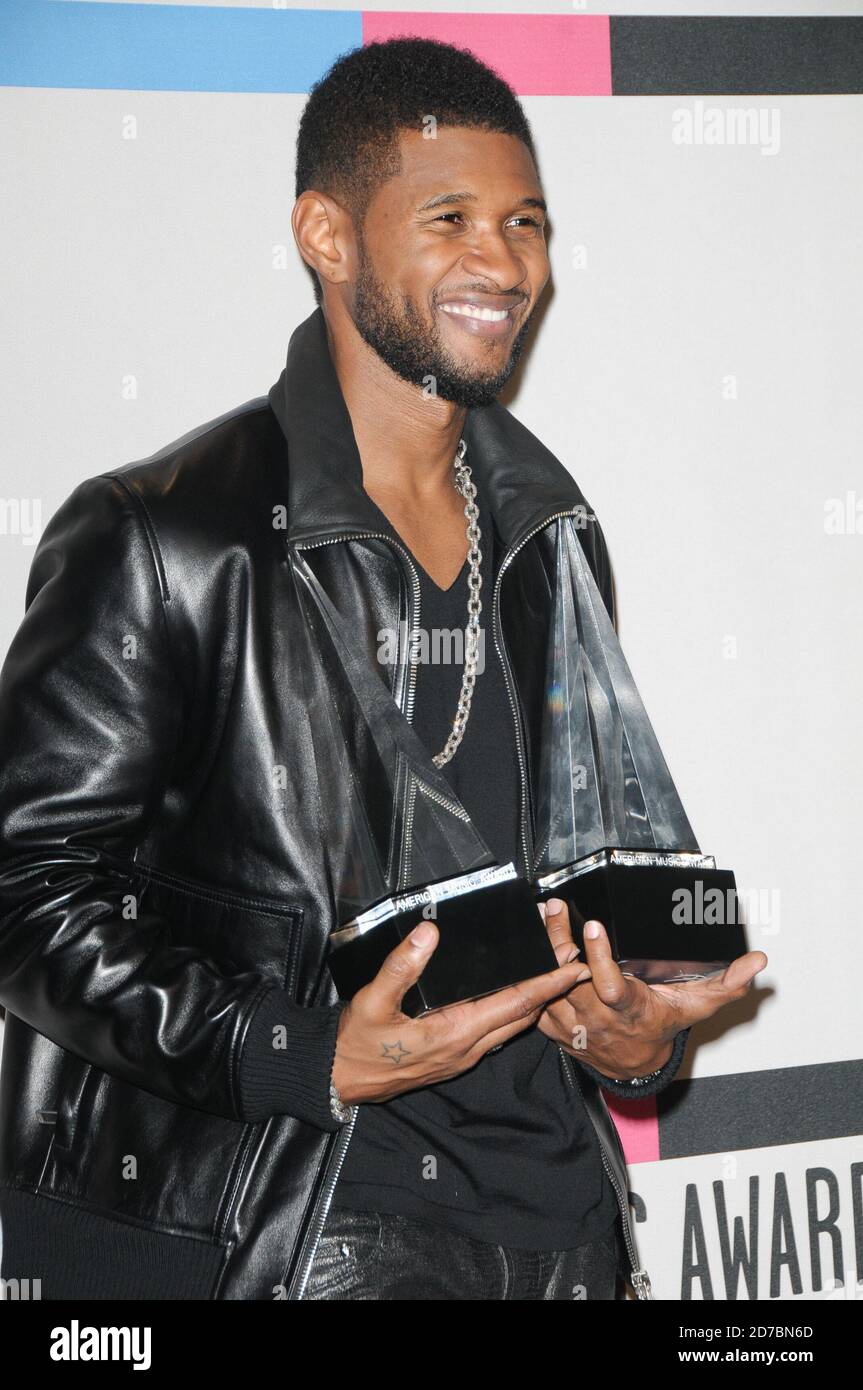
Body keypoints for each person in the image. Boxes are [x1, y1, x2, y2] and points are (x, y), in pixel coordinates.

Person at [0, 37, 766, 1301]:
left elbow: (571, 895)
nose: (503, 263)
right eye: (450, 218)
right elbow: (27, 894)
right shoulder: (166, 536)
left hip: (562, 1225)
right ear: (327, 233)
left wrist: (630, 1034)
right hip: (307, 1227)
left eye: (525, 222)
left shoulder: (550, 544)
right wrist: (297, 1052)